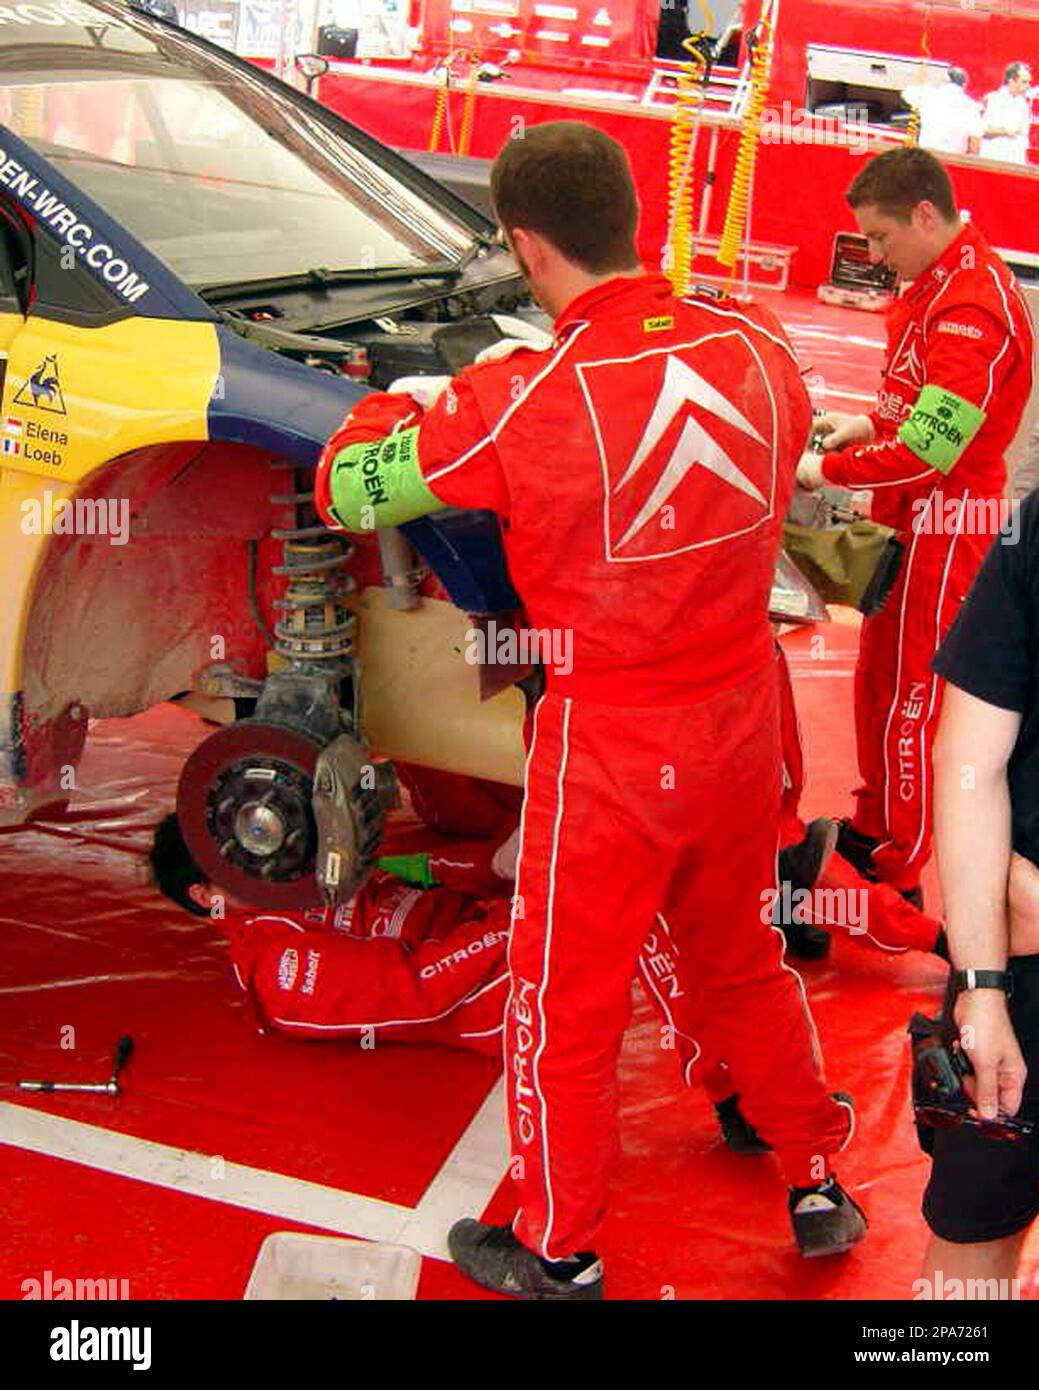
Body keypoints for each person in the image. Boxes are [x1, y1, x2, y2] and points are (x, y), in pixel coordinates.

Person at [314, 120, 865, 1299]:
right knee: (742, 957)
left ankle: (556, 1245)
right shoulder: (757, 343)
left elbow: (348, 492)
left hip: (612, 744)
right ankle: (816, 1171)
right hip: (742, 718)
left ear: (523, 245)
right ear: (631, 217)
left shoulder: (517, 398)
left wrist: (386, 406)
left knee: (564, 995)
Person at [796, 146, 1035, 909]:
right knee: (877, 682)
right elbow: (916, 408)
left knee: (911, 698)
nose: (872, 255)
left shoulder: (970, 309)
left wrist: (821, 471)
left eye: (880, 236)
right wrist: (865, 423)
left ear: (924, 214)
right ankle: (873, 825)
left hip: (943, 527)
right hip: (910, 521)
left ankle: (894, 862)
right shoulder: (938, 286)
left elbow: (931, 451)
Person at [916, 491, 1039, 1297]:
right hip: (1015, 959)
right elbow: (967, 763)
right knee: (973, 1227)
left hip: (1018, 933)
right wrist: (982, 990)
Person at [901, 67, 983, 157]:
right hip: (954, 158)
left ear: (945, 80)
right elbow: (975, 146)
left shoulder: (928, 94)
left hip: (928, 154)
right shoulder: (972, 106)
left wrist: (921, 77)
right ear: (964, 85)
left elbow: (906, 93)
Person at [980, 61, 1033, 165]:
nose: (1028, 86)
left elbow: (1023, 137)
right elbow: (982, 130)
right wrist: (1005, 131)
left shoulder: (1023, 105)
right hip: (994, 158)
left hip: (1016, 161)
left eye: (1029, 82)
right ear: (1011, 81)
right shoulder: (993, 99)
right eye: (1024, 82)